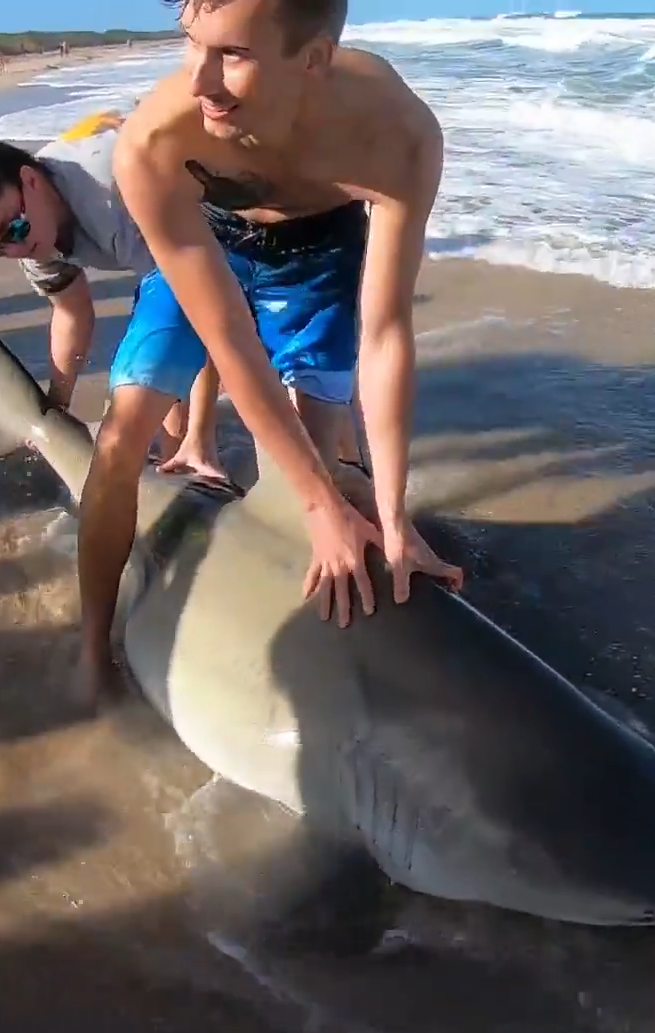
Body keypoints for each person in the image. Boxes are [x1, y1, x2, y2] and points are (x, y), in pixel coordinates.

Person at [82, 0, 462, 704]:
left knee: (328, 476)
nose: (200, 81)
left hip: (319, 252)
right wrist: (316, 508)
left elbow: (385, 332)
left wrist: (395, 511)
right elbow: (227, 338)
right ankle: (92, 649)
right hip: (209, 237)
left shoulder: (395, 136)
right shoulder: (154, 142)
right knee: (121, 437)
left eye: (234, 55)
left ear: (313, 60)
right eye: (190, 45)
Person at [0, 112, 228, 482]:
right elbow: (71, 313)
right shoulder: (32, 238)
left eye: (15, 230)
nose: (15, 249)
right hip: (174, 235)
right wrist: (55, 407)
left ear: (30, 181)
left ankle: (191, 451)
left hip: (237, 193)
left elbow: (201, 303)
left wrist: (198, 437)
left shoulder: (112, 195)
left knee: (202, 342)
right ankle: (179, 454)